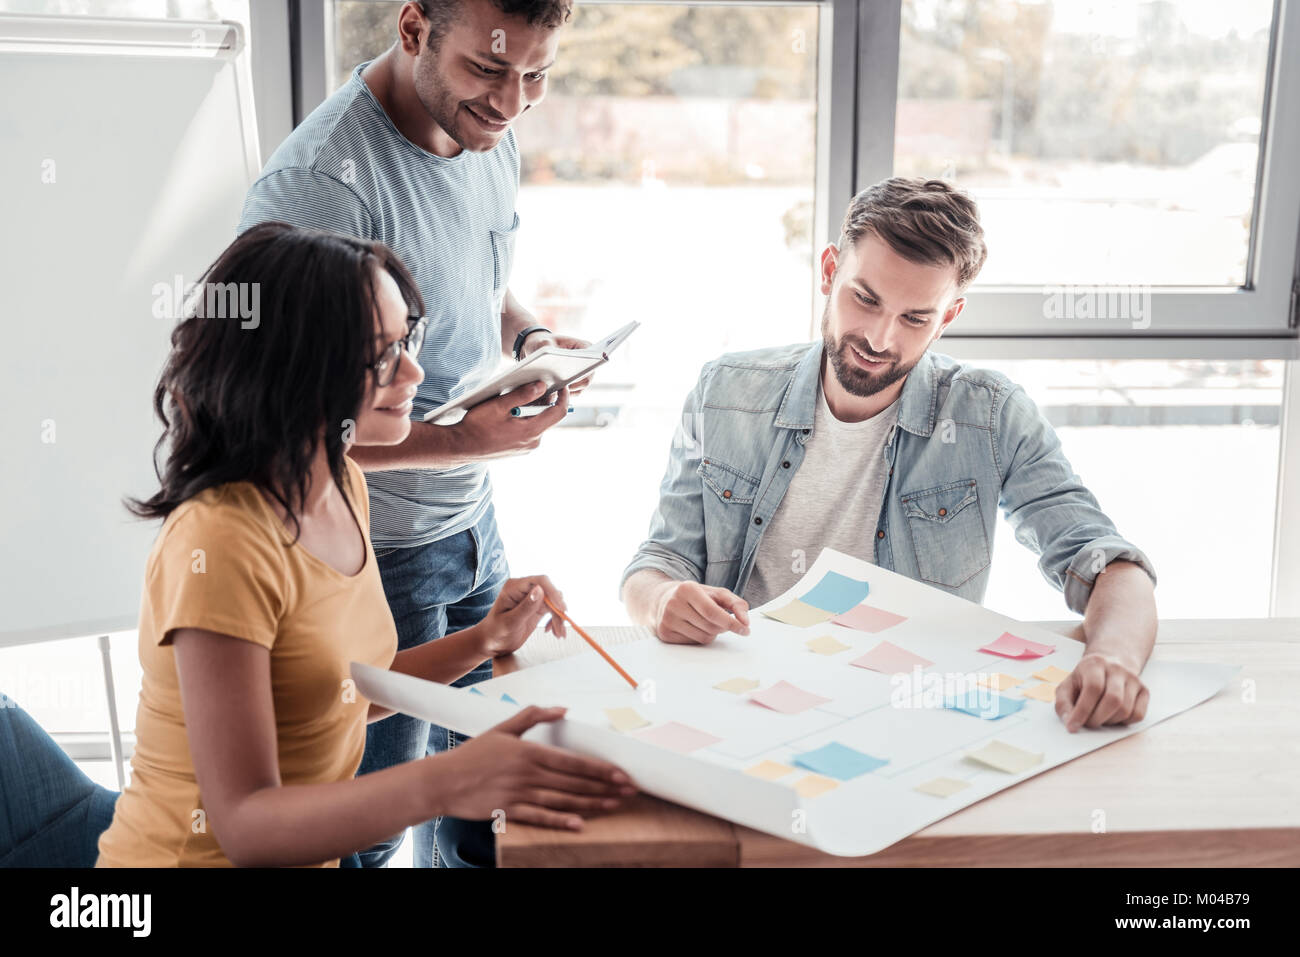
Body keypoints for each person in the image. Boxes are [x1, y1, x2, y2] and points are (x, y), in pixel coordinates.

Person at [0, 222, 634, 868]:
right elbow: (245, 825)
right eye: (385, 354)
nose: (415, 371)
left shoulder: (343, 482)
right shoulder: (220, 542)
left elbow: (341, 693)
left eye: (407, 339)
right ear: (296, 368)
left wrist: (483, 641)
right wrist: (453, 778)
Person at [237, 0, 583, 868]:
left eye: (535, 75)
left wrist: (533, 339)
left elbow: (478, 278)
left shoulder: (483, 133)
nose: (510, 105)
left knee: (479, 806)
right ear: (413, 28)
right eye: (489, 70)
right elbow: (277, 418)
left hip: (470, 527)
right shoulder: (320, 188)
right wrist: (464, 442)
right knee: (369, 828)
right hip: (373, 553)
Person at [621, 177, 1159, 734]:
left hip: (905, 714)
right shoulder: (725, 392)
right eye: (865, 299)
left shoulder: (990, 414)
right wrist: (660, 599)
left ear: (948, 317)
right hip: (745, 702)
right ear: (830, 271)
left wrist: (1113, 660)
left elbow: (1107, 562)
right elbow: (659, 561)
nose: (879, 339)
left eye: (915, 318)